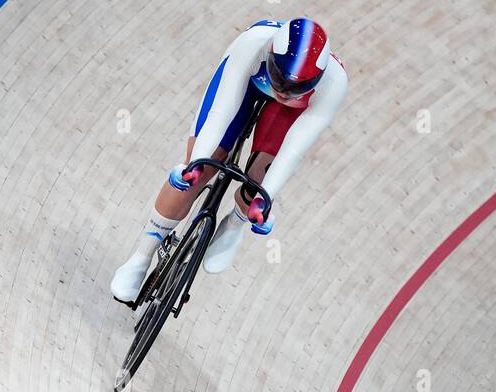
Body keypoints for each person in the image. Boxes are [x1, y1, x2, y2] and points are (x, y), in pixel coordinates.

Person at [111, 17, 348, 305]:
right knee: (198, 170)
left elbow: (292, 152)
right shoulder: (253, 44)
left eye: (296, 86)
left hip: (288, 113)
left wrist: (265, 199)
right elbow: (221, 113)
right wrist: (194, 164)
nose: (284, 90)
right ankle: (140, 257)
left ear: (317, 80)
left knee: (259, 179)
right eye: (280, 77)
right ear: (271, 54)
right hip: (246, 84)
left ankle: (234, 224)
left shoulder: (334, 85)